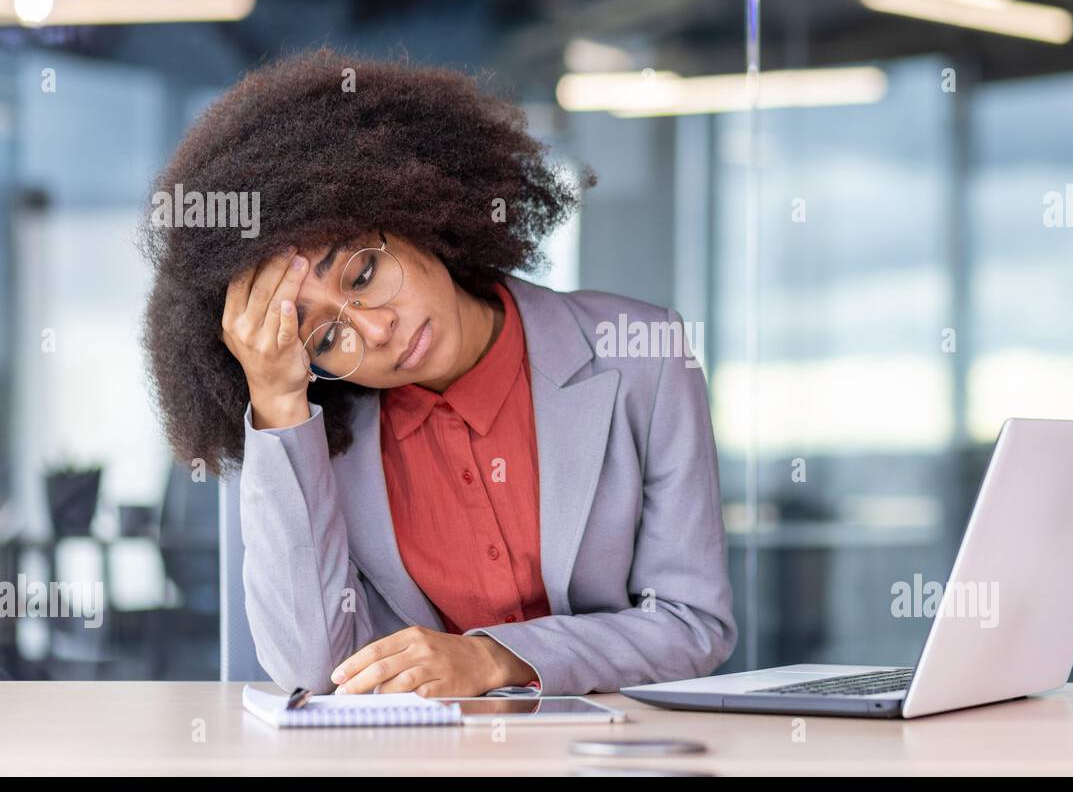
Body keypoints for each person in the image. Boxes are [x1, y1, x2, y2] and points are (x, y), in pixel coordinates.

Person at [137, 47, 737, 696]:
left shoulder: (645, 357)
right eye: (328, 336)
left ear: (409, 211)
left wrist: (495, 657)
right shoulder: (322, 438)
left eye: (364, 273)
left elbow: (692, 623)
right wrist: (278, 397)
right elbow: (311, 669)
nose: (375, 329)